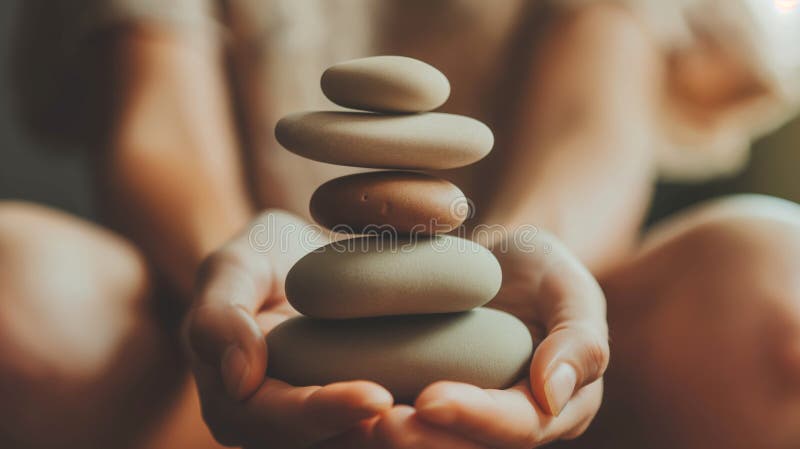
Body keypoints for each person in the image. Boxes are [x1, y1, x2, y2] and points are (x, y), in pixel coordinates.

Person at [2, 0, 799, 448]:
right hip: (224, 312)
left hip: (528, 303)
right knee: (16, 296)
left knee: (781, 299)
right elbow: (159, 116)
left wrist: (515, 272)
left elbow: (596, 113)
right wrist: (244, 280)